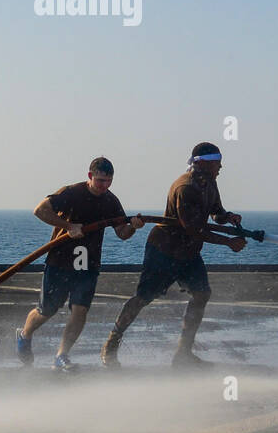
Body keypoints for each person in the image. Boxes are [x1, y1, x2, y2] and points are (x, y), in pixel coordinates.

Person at [101, 142, 244, 369]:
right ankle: (111, 343)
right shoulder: (184, 187)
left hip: (189, 252)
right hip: (164, 251)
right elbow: (193, 228)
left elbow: (215, 213)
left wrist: (228, 217)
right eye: (217, 161)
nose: (221, 166)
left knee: (202, 294)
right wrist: (228, 242)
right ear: (204, 163)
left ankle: (183, 353)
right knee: (143, 298)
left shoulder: (210, 183)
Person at [15, 158, 143, 371]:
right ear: (90, 176)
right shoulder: (71, 193)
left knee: (80, 309)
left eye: (109, 181)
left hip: (88, 264)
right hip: (60, 261)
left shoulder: (111, 201)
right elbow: (40, 210)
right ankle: (24, 334)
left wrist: (133, 227)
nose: (104, 186)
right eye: (101, 180)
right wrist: (68, 226)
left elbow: (122, 233)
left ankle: (61, 355)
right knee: (47, 310)